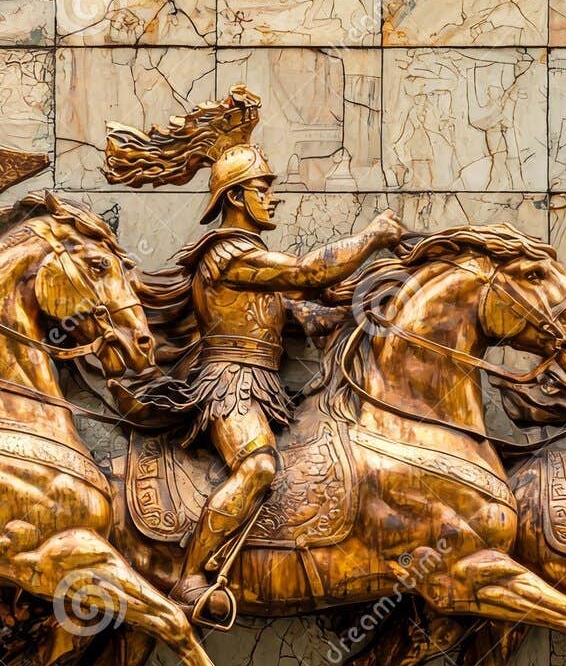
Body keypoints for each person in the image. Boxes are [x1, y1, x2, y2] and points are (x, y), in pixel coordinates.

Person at [104, 86, 404, 621]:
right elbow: (310, 272)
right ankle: (192, 578)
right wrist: (372, 236)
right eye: (265, 188)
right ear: (238, 197)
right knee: (260, 466)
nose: (273, 197)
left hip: (267, 387)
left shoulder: (259, 267)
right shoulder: (226, 255)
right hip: (229, 386)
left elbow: (310, 311)